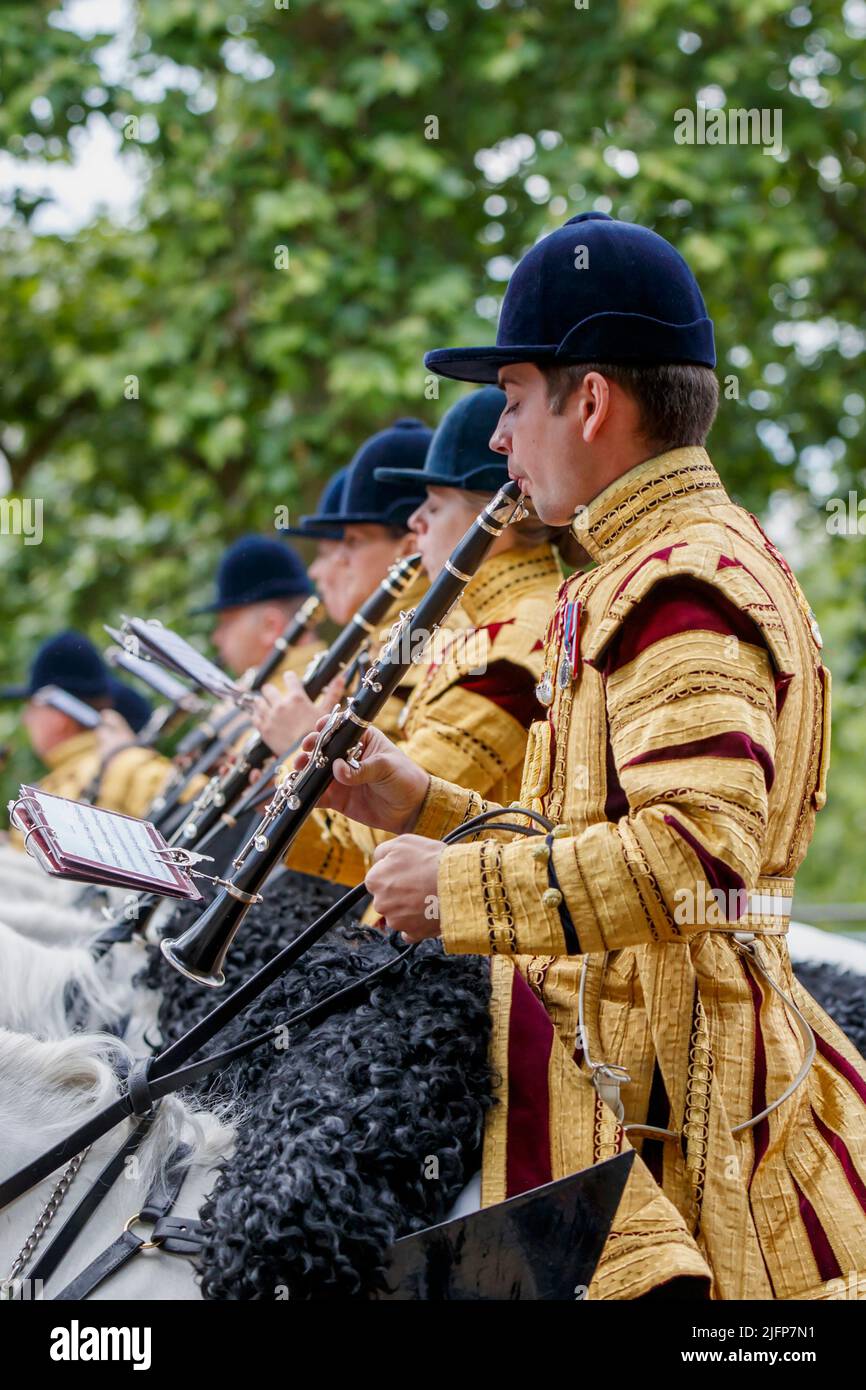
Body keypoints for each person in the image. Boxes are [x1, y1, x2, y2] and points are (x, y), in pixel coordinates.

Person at [295, 212, 866, 1301]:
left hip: (679, 1091)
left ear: (589, 400)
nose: (499, 441)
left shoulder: (677, 581)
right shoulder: (646, 565)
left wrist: (455, 882)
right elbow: (587, 839)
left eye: (511, 402)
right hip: (627, 1038)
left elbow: (689, 858)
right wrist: (419, 802)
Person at [255, 387, 568, 885]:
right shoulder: (481, 630)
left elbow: (390, 828)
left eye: (436, 504)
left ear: (496, 518)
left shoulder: (517, 640)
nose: (416, 522)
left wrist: (300, 745)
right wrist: (274, 786)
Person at [1, 630, 174, 821]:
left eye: (32, 708)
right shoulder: (52, 783)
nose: (26, 719)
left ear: (59, 716)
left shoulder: (130, 766)